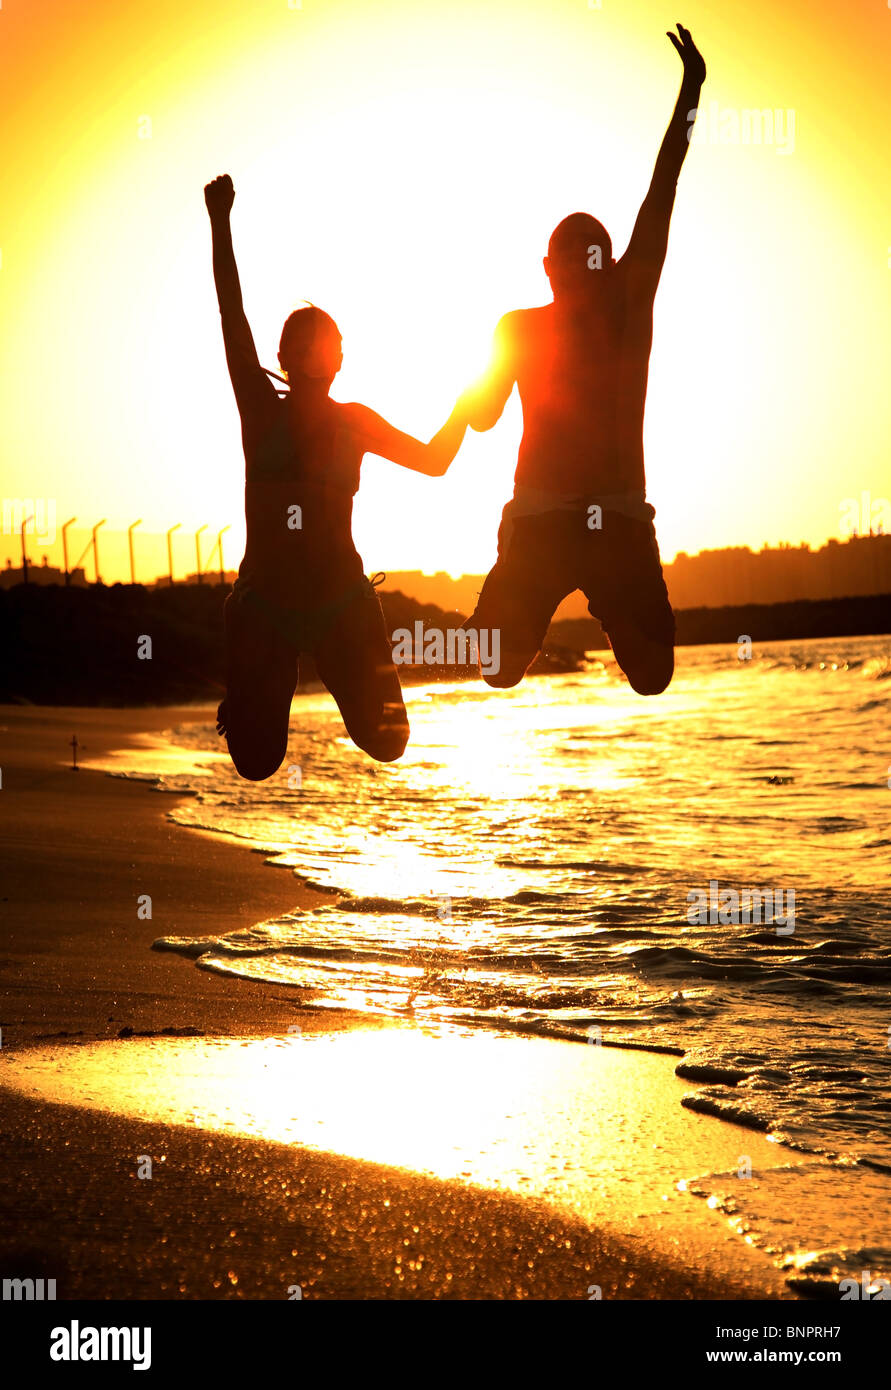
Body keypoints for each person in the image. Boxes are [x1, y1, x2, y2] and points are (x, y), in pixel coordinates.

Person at [459, 24, 706, 694]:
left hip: (619, 520)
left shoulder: (625, 307)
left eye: (592, 249)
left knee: (653, 676)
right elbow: (482, 419)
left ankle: (609, 612)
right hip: (537, 519)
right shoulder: (516, 327)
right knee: (496, 671)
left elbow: (662, 191)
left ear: (608, 262)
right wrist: (463, 403)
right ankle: (517, 618)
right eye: (566, 251)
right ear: (546, 266)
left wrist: (690, 91)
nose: (579, 259)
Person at [204, 173, 468, 779]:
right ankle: (245, 672)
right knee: (256, 763)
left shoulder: (355, 423)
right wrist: (221, 222)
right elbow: (230, 312)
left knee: (390, 744)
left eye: (329, 346)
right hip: (265, 605)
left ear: (341, 358)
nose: (318, 355)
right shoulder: (259, 406)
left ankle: (338, 672)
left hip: (341, 600)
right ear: (283, 359)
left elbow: (433, 460)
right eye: (303, 346)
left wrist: (468, 402)